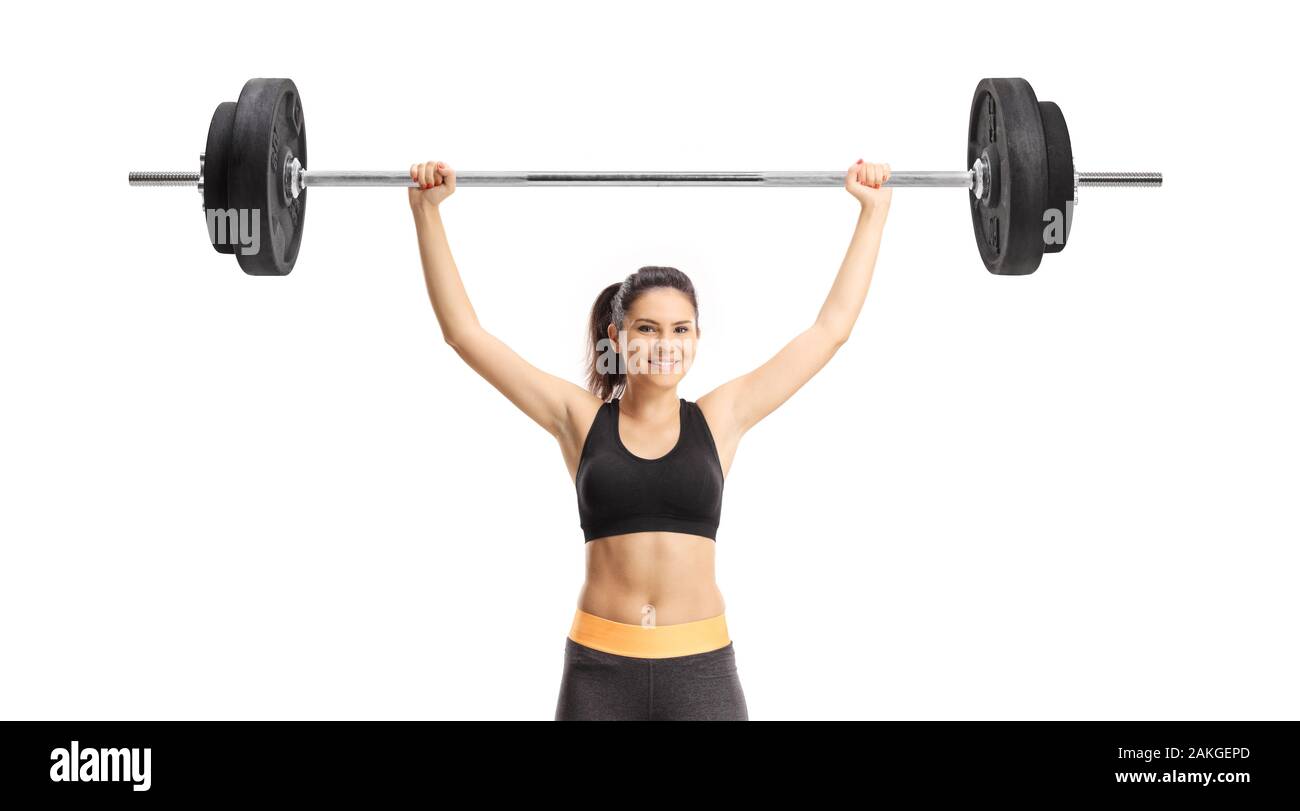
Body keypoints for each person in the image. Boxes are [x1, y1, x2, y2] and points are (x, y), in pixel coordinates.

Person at [407, 158, 892, 720]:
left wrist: (873, 212)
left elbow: (829, 332)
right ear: (618, 336)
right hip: (599, 671)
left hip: (701, 667)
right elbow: (465, 335)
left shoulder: (721, 417)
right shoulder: (581, 419)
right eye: (647, 328)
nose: (666, 344)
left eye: (680, 329)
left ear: (696, 338)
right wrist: (426, 212)